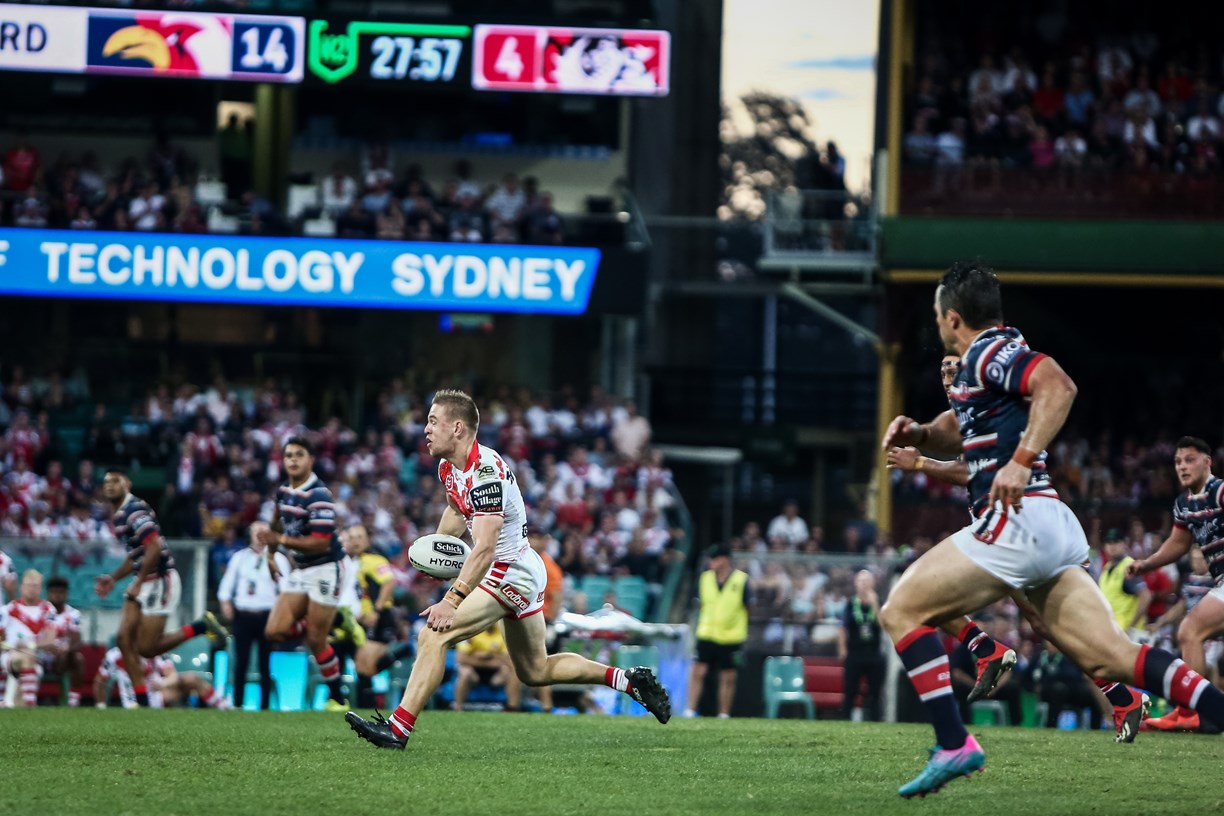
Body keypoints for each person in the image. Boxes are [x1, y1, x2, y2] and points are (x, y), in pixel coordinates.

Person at [878, 263, 1224, 797]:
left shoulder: (989, 350)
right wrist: (921, 433)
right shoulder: (981, 362)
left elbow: (1058, 385)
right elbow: (959, 431)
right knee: (1111, 657)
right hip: (1048, 523)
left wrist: (1020, 459)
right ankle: (1215, 708)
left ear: (952, 317)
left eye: (937, 316)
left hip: (1017, 519)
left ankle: (954, 743)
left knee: (900, 609)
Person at [345, 389, 670, 749]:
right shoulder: (448, 467)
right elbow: (456, 509)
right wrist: (438, 546)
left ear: (457, 428)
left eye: (433, 422)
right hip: (515, 567)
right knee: (534, 670)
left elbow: (484, 547)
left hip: (509, 569)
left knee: (434, 634)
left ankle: (398, 730)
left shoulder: (485, 474)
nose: (425, 429)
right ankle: (628, 680)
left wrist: (451, 600)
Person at [888, 353, 1150, 741]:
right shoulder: (967, 411)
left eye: (954, 364)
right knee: (1043, 625)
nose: (947, 372)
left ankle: (985, 655)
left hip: (1014, 529)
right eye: (942, 366)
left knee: (921, 596)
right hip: (1001, 528)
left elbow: (970, 471)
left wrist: (922, 463)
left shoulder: (985, 407)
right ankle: (1124, 694)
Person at [94, 468, 228, 707]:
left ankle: (201, 626)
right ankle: (142, 703)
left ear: (127, 483)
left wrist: (136, 582)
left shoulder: (135, 510)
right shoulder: (120, 514)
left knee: (146, 648)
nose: (110, 485)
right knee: (124, 640)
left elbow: (154, 547)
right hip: (144, 581)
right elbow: (137, 555)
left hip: (160, 581)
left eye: (116, 480)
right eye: (106, 482)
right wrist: (114, 578)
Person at [1128, 436, 1223, 732]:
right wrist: (1147, 563)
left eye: (1190, 460)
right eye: (1178, 462)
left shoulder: (1219, 491)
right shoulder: (1183, 504)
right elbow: (1178, 543)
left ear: (1207, 462)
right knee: (1191, 633)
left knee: (1190, 630)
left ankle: (1192, 711)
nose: (1182, 466)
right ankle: (1192, 711)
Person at [260, 437, 353, 712]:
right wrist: (269, 554)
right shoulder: (283, 492)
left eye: (299, 455)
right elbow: (277, 522)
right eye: (288, 455)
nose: (292, 460)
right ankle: (331, 618)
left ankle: (338, 698)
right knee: (274, 631)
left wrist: (280, 540)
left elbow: (322, 542)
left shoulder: (319, 494)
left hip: (327, 566)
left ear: (310, 459)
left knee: (315, 639)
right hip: (302, 569)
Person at [217, 520, 290, 710]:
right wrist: (226, 603)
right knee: (241, 661)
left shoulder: (278, 559)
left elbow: (286, 590)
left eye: (264, 531)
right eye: (256, 531)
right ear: (250, 534)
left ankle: (264, 705)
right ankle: (238, 703)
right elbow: (226, 586)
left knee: (265, 663)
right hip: (243, 615)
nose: (260, 535)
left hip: (268, 616)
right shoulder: (239, 558)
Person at [341, 524, 413, 699]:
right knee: (362, 668)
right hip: (363, 620)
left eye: (360, 537)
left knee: (365, 668)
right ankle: (367, 706)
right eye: (352, 537)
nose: (355, 541)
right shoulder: (352, 562)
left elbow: (389, 583)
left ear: (367, 540)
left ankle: (403, 651)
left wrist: (376, 611)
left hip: (380, 617)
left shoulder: (375, 560)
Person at [682, 544, 748, 719]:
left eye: (715, 558)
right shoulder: (705, 578)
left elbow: (747, 608)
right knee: (698, 671)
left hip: (731, 636)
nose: (712, 562)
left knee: (728, 676)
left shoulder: (740, 580)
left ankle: (724, 713)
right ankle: (690, 709)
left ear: (725, 560)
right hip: (707, 633)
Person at [93, 645, 229, 710]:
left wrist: (162, 684)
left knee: (192, 678)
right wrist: (101, 707)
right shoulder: (115, 655)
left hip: (158, 693)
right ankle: (223, 706)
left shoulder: (154, 650)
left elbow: (172, 675)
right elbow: (99, 680)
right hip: (133, 703)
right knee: (190, 679)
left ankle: (223, 707)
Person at [1, 570, 58, 707]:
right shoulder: (8, 610)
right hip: (11, 655)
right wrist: (11, 645)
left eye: (35, 586)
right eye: (28, 585)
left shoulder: (48, 609)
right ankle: (30, 705)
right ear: (22, 587)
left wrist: (30, 645)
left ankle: (14, 703)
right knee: (25, 657)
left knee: (17, 701)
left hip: (39, 657)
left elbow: (51, 639)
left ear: (40, 588)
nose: (31, 589)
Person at [838, 570, 885, 721]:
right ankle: (845, 722)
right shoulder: (850, 604)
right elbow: (842, 628)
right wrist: (842, 650)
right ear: (855, 584)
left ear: (873, 584)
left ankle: (875, 723)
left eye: (867, 581)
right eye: (860, 581)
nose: (864, 584)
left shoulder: (880, 603)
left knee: (875, 693)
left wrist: (875, 604)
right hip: (854, 653)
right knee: (850, 690)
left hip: (874, 654)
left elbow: (882, 624)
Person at [453, 622, 521, 711]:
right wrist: (494, 659)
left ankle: (512, 708)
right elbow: (461, 659)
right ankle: (458, 708)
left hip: (495, 674)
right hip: (474, 673)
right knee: (465, 672)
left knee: (512, 672)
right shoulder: (471, 631)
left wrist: (488, 656)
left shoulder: (503, 632)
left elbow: (508, 660)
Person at [1098, 529, 1151, 638]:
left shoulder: (1128, 566)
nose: (1112, 546)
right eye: (1109, 542)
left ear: (1125, 544)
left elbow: (1146, 596)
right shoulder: (1106, 568)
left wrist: (1131, 626)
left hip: (1128, 633)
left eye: (1116, 542)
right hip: (1113, 631)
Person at [45, 575, 84, 706]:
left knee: (78, 658)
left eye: (60, 592)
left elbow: (76, 640)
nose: (57, 595)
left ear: (66, 594)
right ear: (48, 594)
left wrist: (67, 649)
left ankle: (73, 701)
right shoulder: (41, 611)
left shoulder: (73, 614)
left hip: (63, 656)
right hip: (40, 655)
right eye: (54, 592)